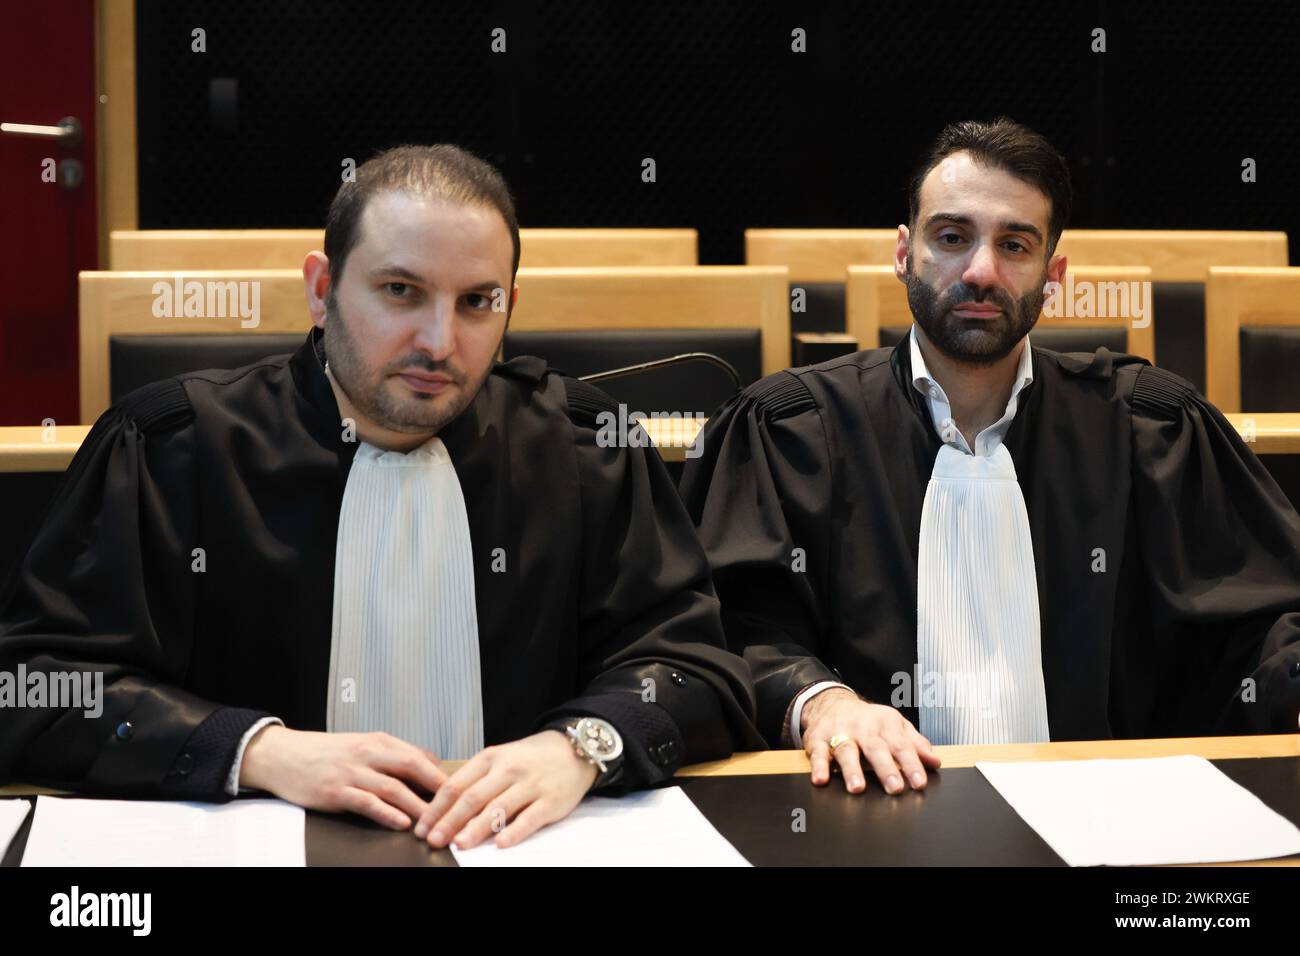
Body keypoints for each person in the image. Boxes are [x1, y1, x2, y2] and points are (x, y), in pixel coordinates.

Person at [0, 144, 762, 851]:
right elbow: (34, 685)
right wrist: (257, 749)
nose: (439, 341)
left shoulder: (588, 449)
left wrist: (581, 745)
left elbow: (695, 665)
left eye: (476, 303)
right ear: (322, 290)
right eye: (402, 291)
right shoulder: (170, 446)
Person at [681, 117, 1300, 797]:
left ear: (1053, 273)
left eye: (1014, 245)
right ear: (902, 252)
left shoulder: (1150, 429)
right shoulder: (791, 431)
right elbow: (721, 626)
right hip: (867, 812)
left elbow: (1260, 624)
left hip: (1109, 815)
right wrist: (822, 701)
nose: (981, 271)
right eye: (952, 238)